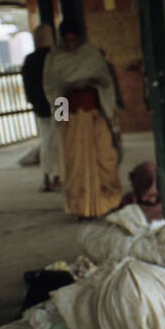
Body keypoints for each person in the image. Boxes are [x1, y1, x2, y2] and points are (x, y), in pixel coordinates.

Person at [42, 21, 121, 220]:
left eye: (74, 40)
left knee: (104, 159)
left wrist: (108, 109)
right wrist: (61, 119)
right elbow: (52, 88)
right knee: (74, 165)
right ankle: (81, 208)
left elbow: (106, 83)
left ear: (81, 38)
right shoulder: (55, 58)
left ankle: (108, 202)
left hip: (95, 115)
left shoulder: (92, 54)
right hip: (72, 117)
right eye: (67, 41)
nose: (71, 45)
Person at [21, 24, 61, 191]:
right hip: (61, 103)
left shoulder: (30, 60)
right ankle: (58, 177)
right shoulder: (57, 56)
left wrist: (34, 103)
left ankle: (47, 177)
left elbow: (28, 87)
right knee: (60, 140)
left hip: (41, 106)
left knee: (46, 141)